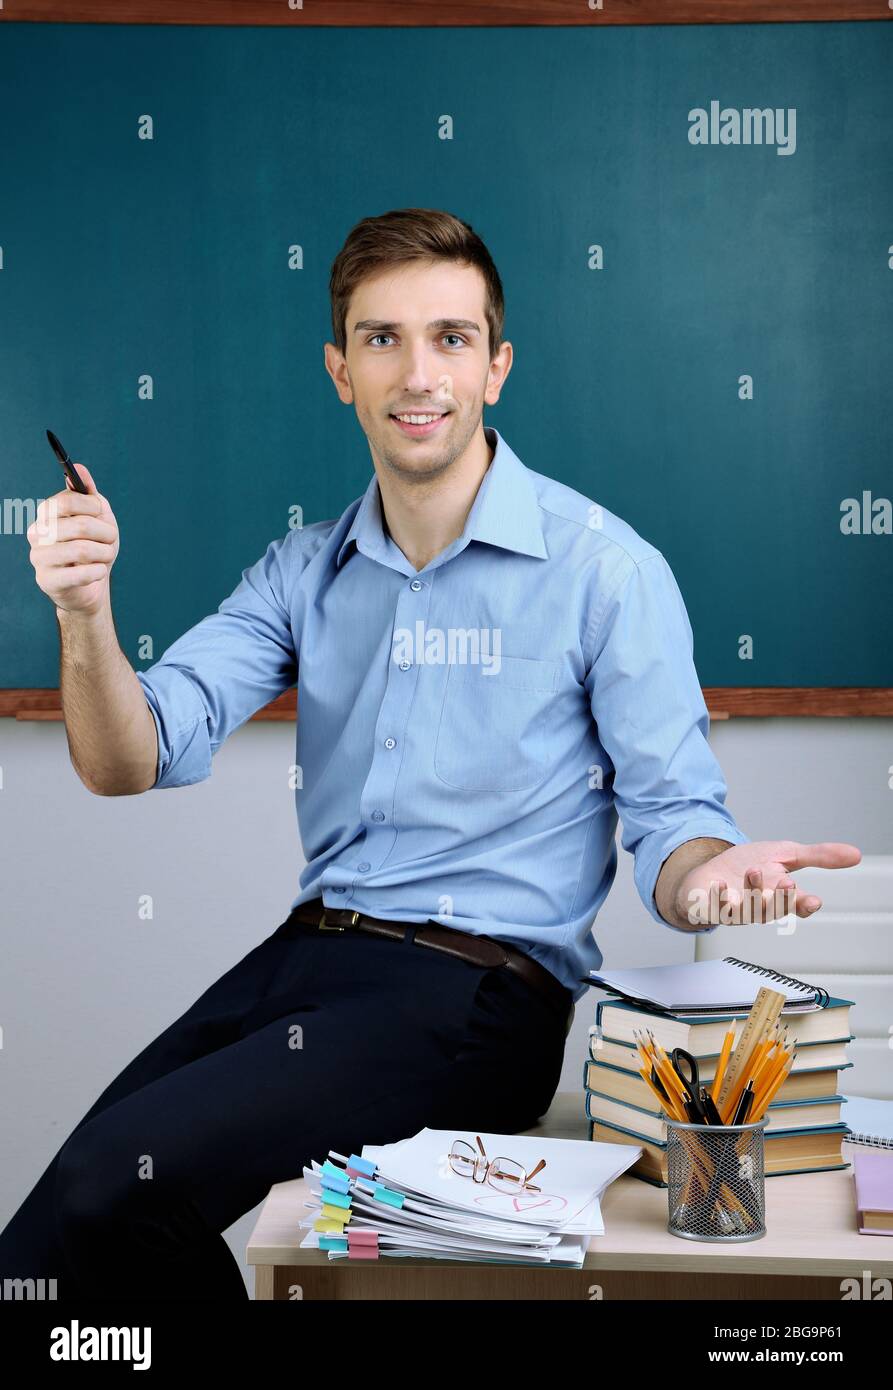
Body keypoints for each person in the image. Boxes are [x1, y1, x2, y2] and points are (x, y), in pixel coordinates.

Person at [6, 207, 860, 1301]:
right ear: (339, 370)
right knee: (38, 1253)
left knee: (108, 1192)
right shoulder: (298, 571)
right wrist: (85, 617)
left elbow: (671, 819)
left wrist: (712, 876)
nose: (419, 374)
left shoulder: (605, 572)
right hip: (305, 962)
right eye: (382, 339)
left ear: (496, 365)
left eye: (451, 338)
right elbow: (132, 756)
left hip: (473, 997)